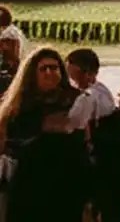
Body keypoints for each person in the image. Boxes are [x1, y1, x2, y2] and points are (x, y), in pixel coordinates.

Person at [0, 48, 92, 221]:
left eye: (54, 68)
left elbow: (86, 140)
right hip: (30, 188)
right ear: (33, 74)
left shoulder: (75, 101)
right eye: (43, 69)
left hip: (68, 186)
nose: (49, 73)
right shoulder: (20, 107)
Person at [66, 49, 120, 222]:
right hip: (116, 156)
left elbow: (73, 125)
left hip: (103, 158)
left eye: (72, 75)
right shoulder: (102, 90)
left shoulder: (88, 97)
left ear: (87, 74)